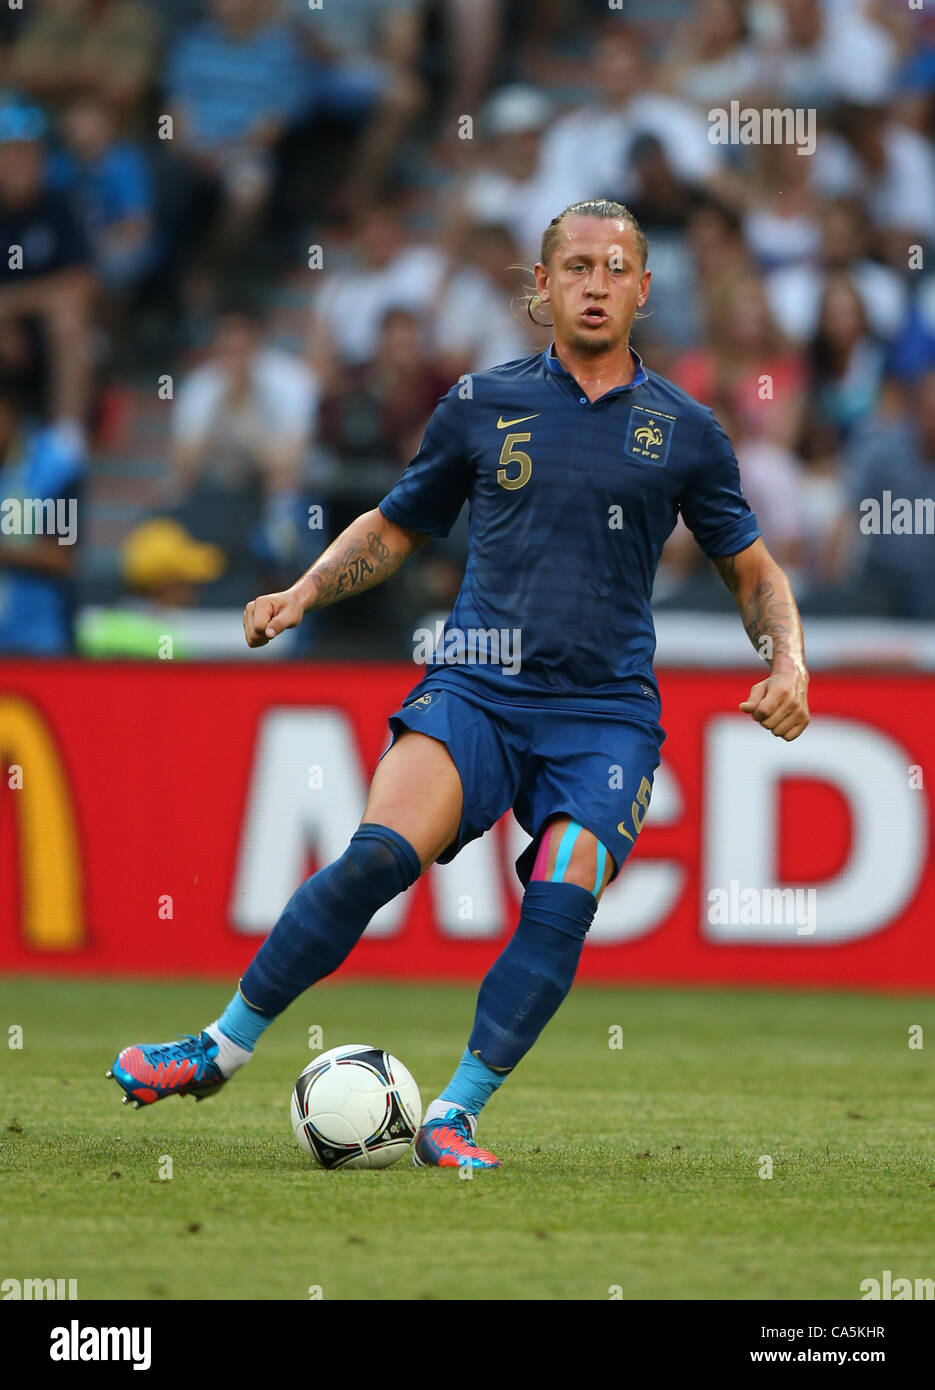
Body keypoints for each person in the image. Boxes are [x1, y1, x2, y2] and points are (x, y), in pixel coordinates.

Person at [108, 200, 810, 1169]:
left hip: (602, 711)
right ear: (541, 289)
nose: (595, 283)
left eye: (615, 268)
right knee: (374, 857)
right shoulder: (479, 402)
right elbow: (396, 526)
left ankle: (455, 1110)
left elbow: (752, 572)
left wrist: (786, 659)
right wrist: (306, 589)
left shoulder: (685, 432)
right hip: (476, 685)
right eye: (575, 267)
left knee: (563, 889)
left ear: (644, 289)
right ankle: (218, 1046)